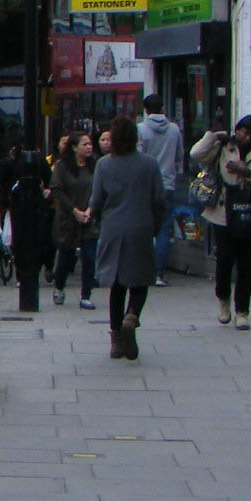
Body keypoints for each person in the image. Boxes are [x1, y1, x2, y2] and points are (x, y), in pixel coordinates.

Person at [90, 115, 169, 361]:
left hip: (113, 229)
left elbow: (96, 201)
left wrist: (99, 221)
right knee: (141, 279)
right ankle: (131, 317)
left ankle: (115, 340)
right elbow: (159, 200)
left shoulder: (104, 165)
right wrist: (155, 225)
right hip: (141, 227)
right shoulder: (149, 164)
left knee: (117, 285)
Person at [190, 113, 251, 330]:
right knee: (224, 261)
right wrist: (213, 136)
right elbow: (196, 154)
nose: (246, 137)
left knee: (246, 263)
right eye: (243, 132)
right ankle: (223, 302)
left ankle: (242, 311)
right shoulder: (223, 147)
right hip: (223, 210)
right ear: (237, 129)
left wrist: (249, 172)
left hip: (247, 209)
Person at [134, 92, 187, 280]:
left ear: (146, 110)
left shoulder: (140, 129)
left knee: (144, 228)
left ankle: (144, 269)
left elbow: (137, 158)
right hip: (168, 184)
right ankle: (159, 274)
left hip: (146, 185)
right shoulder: (174, 130)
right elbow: (180, 157)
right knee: (164, 228)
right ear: (163, 108)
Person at [48, 130, 97, 310]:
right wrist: (74, 211)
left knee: (89, 257)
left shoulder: (95, 166)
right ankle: (59, 286)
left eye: (91, 144)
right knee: (66, 258)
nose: (89, 147)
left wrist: (90, 210)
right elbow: (57, 190)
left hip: (89, 217)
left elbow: (99, 189)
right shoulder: (62, 166)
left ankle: (86, 295)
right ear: (75, 147)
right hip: (68, 218)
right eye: (85, 144)